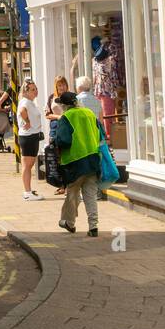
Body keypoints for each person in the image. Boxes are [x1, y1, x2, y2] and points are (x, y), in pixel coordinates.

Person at [53, 91, 106, 237]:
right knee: (90, 195)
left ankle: (69, 223)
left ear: (64, 105)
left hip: (75, 162)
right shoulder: (89, 113)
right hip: (94, 159)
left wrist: (55, 143)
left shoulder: (66, 117)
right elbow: (102, 134)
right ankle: (93, 226)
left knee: (72, 193)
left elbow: (64, 140)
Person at [16, 79, 44, 199]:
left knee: (28, 164)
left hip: (31, 136)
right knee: (27, 165)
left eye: (36, 89)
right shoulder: (25, 102)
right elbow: (22, 111)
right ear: (26, 92)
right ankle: (27, 193)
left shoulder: (30, 102)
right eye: (33, 89)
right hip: (28, 137)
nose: (35, 91)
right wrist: (27, 121)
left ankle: (28, 191)